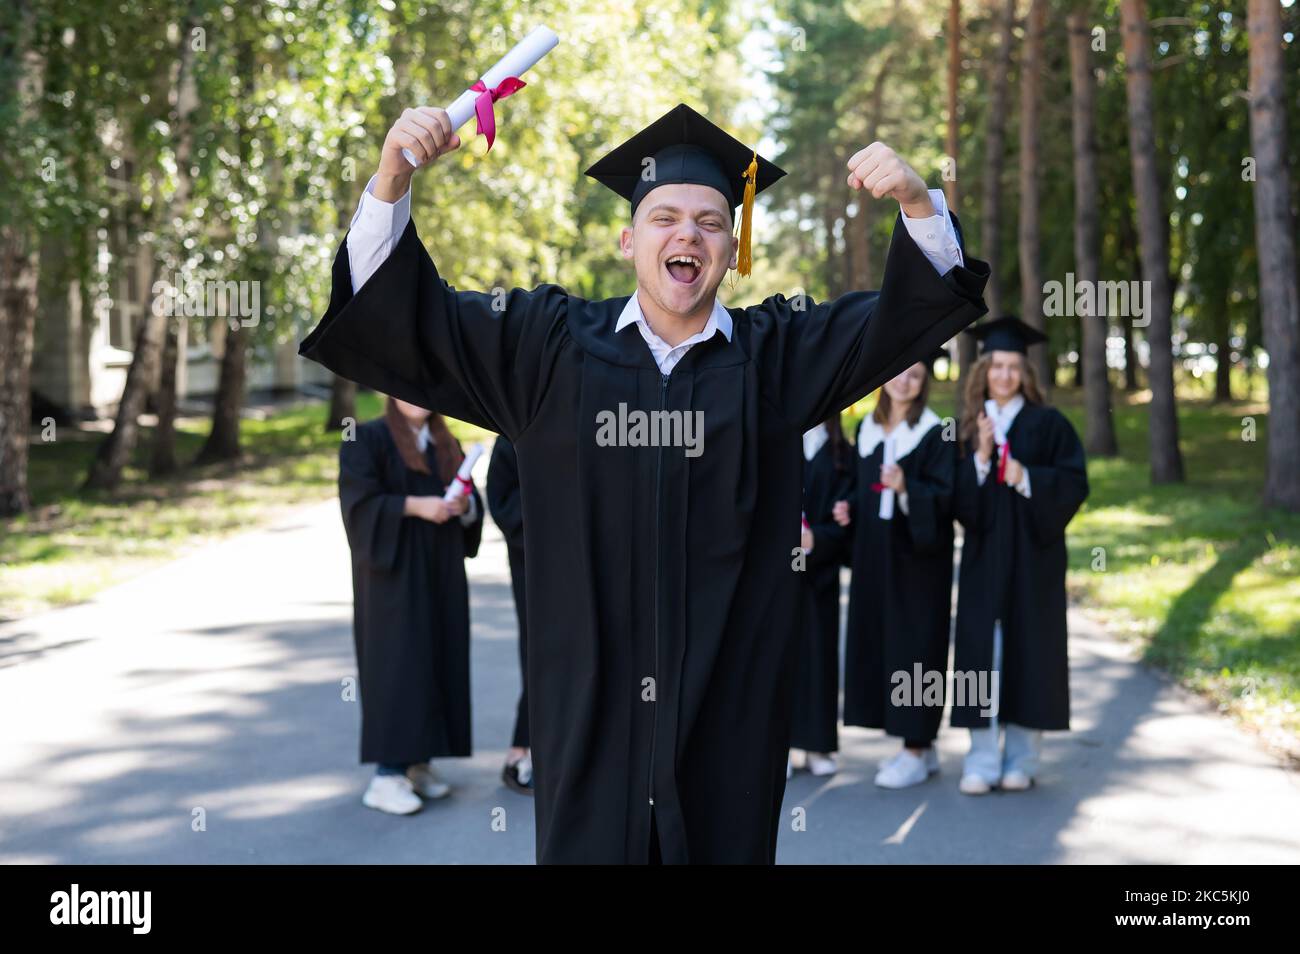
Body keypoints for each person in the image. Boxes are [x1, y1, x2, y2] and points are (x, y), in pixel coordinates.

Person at [301, 101, 989, 862]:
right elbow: (406, 317)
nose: (686, 234)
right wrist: (393, 176)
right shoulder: (547, 347)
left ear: (732, 248)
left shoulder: (778, 360)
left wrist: (919, 203)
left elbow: (908, 317)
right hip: (588, 716)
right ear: (630, 241)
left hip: (728, 715)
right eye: (664, 218)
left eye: (709, 221)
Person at [951, 316, 1089, 795]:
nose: (1005, 375)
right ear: (984, 372)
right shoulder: (970, 428)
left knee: (1030, 647)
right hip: (985, 558)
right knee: (982, 653)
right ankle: (982, 758)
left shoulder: (1048, 424)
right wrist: (983, 459)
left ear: (1025, 374)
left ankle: (1022, 758)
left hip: (1035, 558)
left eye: (1013, 367)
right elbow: (960, 505)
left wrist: (1025, 478)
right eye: (997, 366)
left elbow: (1074, 483)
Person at [338, 396, 484, 815]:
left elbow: (471, 500)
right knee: (399, 666)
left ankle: (419, 764)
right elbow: (359, 507)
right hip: (393, 577)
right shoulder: (366, 438)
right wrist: (418, 506)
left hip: (440, 571)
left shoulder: (445, 440)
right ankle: (387, 775)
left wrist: (464, 506)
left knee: (438, 659)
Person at [836, 351, 955, 788]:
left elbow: (946, 499)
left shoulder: (935, 432)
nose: (906, 381)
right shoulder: (865, 429)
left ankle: (915, 749)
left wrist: (908, 489)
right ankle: (917, 743)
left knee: (916, 650)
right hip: (874, 558)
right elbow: (855, 485)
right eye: (899, 371)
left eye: (916, 374)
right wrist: (848, 507)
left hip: (918, 563)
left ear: (925, 382)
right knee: (883, 646)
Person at [788, 413, 854, 778]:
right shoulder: (775, 433)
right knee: (775, 658)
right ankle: (777, 745)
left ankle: (817, 744)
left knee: (819, 657)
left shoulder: (841, 452)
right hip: (775, 569)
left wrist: (821, 539)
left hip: (820, 572)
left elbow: (850, 510)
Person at [486, 434, 532, 795]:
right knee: (540, 652)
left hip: (595, 562)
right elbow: (502, 499)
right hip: (536, 563)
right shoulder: (515, 429)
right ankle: (523, 749)